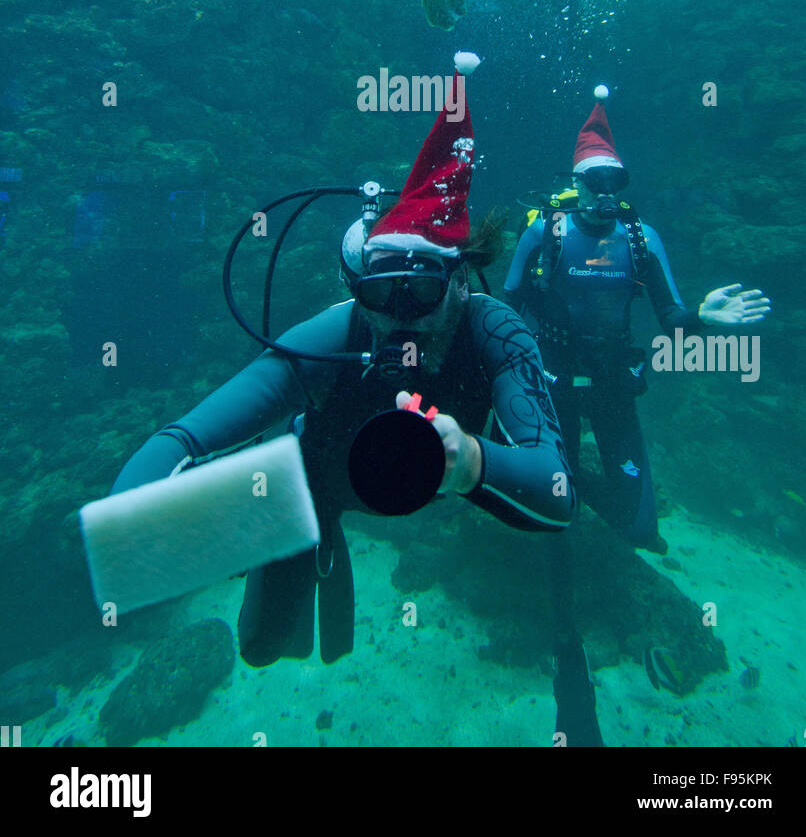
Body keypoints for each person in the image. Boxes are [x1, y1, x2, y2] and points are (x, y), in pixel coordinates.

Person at [110, 57, 574, 666]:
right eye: (382, 294)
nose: (401, 313)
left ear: (461, 283)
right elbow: (187, 435)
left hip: (437, 479)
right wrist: (131, 524)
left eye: (423, 291)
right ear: (359, 288)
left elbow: (557, 491)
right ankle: (312, 538)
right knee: (261, 646)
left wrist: (471, 462)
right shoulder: (341, 328)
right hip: (321, 483)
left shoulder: (495, 332)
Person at [503, 84, 771, 745]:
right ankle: (561, 598)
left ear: (622, 181)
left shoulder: (640, 238)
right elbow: (509, 301)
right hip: (556, 380)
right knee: (549, 498)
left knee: (633, 513)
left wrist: (704, 319)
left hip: (616, 383)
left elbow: (674, 314)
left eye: (613, 178)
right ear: (574, 180)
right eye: (593, 179)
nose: (603, 190)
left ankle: (601, 522)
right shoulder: (545, 228)